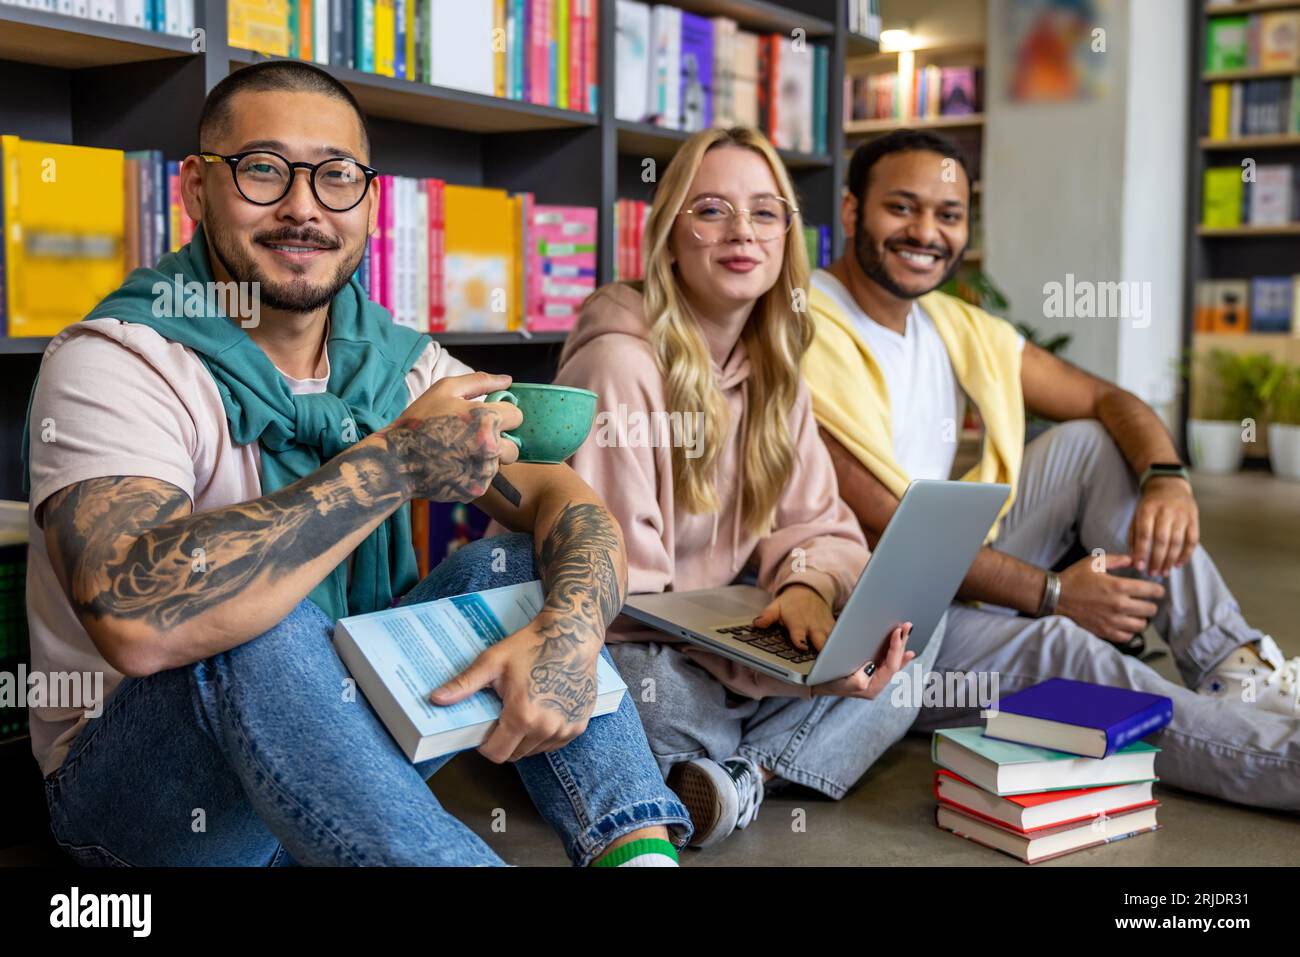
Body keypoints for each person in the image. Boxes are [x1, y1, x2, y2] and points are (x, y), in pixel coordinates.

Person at [21, 60, 691, 866]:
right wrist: (394, 463)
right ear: (197, 189)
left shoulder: (399, 364)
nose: (303, 208)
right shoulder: (118, 361)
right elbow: (135, 619)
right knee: (255, 627)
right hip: (148, 797)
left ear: (368, 203)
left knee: (521, 565)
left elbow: (572, 505)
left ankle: (639, 855)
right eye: (263, 171)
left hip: (345, 744)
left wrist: (571, 634)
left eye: (336, 177)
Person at [805, 128, 1300, 811]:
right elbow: (888, 521)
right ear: (853, 209)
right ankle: (1281, 760)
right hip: (882, 618)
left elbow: (1107, 399)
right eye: (902, 207)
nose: (926, 231)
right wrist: (1053, 594)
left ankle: (1235, 668)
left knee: (1093, 443)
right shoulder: (800, 324)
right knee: (1072, 654)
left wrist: (1167, 475)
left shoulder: (951, 323)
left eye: (947, 215)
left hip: (956, 571)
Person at [549, 126, 930, 849]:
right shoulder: (619, 366)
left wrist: (808, 590)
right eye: (711, 209)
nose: (741, 232)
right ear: (668, 236)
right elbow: (618, 603)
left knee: (913, 640)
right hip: (641, 647)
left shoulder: (775, 370)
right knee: (645, 697)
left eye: (764, 211)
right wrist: (795, 677)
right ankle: (759, 759)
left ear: (787, 236)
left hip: (723, 646)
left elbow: (824, 527)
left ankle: (735, 777)